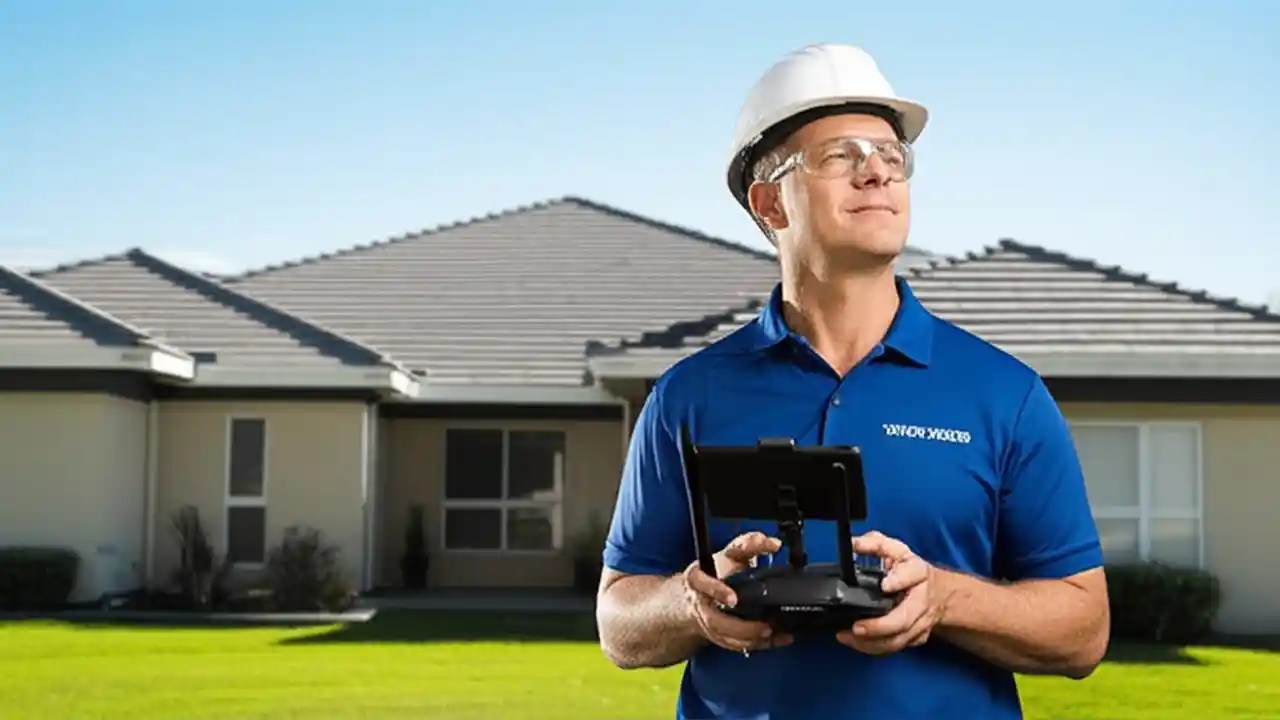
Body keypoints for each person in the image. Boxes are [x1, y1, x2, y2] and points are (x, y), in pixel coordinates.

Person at [594, 43, 1110, 719]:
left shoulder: (1004, 395)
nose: (877, 175)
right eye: (841, 156)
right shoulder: (687, 398)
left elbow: (1083, 630)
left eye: (891, 157)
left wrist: (944, 599)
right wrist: (693, 604)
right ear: (769, 201)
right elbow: (619, 621)